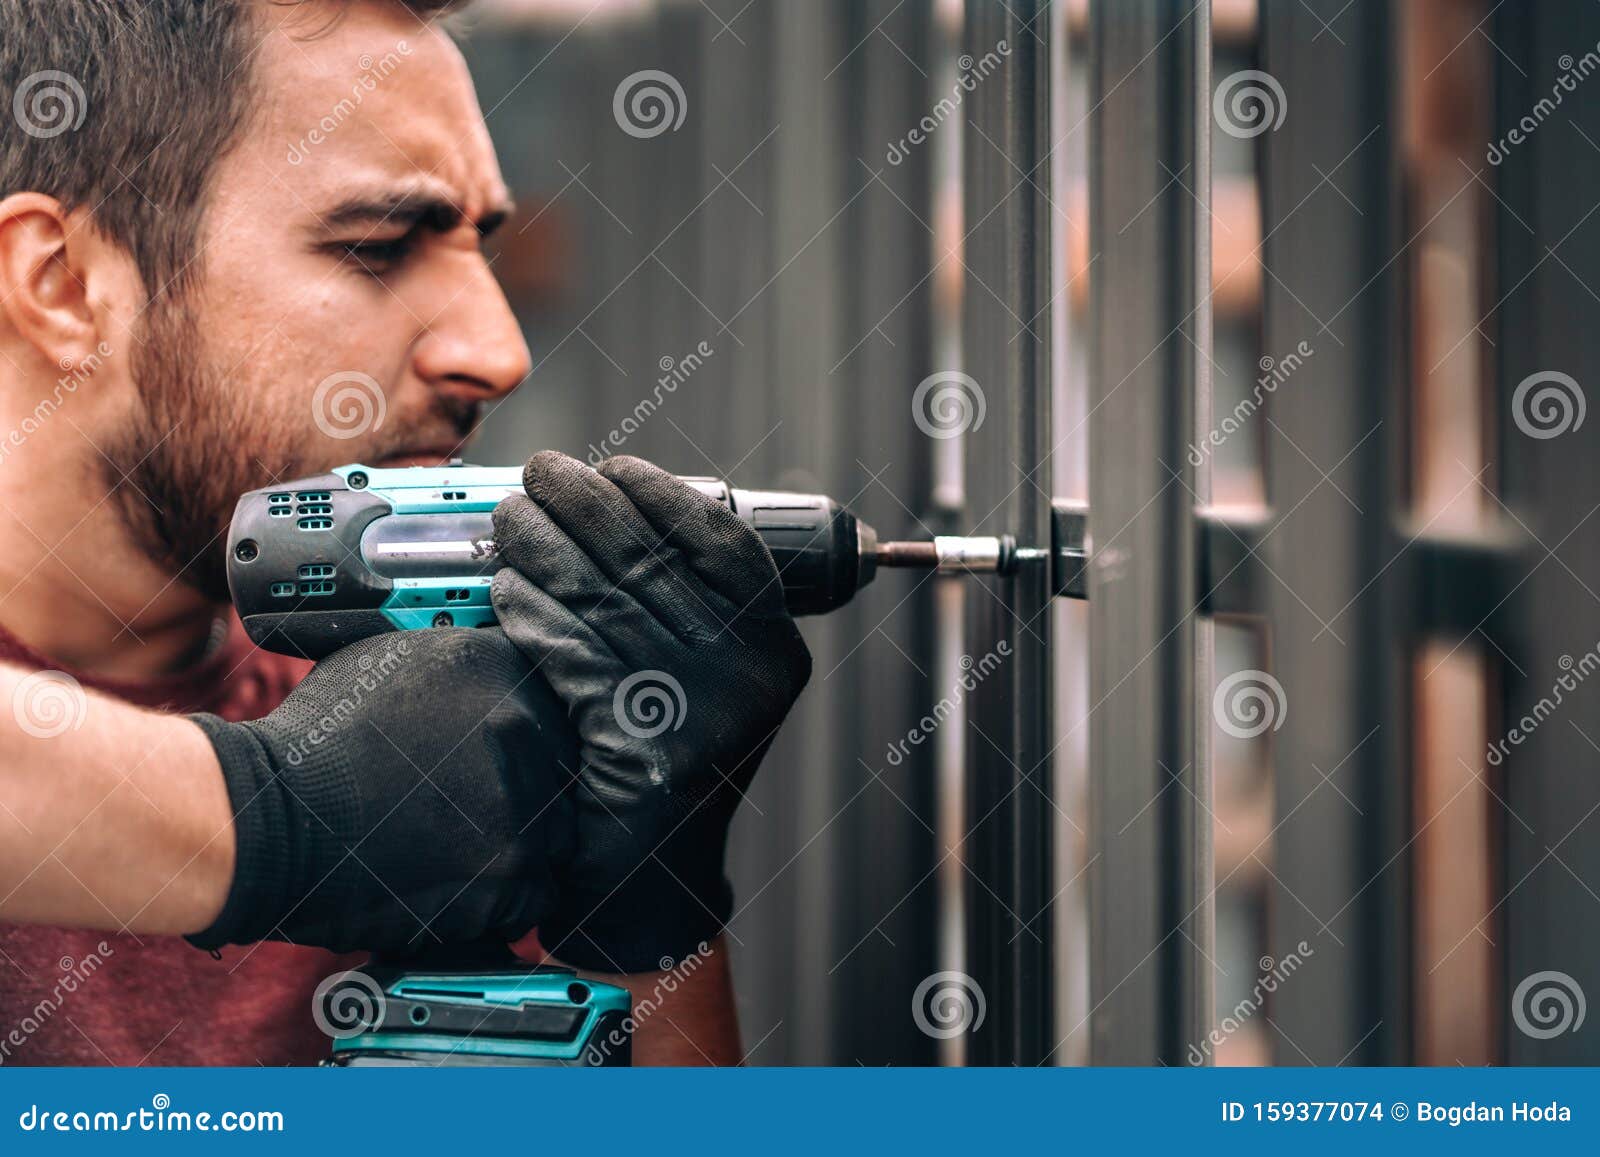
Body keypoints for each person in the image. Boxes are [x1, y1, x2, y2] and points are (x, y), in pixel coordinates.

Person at [0, 0, 809, 1065]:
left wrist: (644, 923)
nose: (497, 350)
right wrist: (280, 817)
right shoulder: (360, 785)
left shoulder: (432, 729)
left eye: (480, 246)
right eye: (379, 245)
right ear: (63, 283)